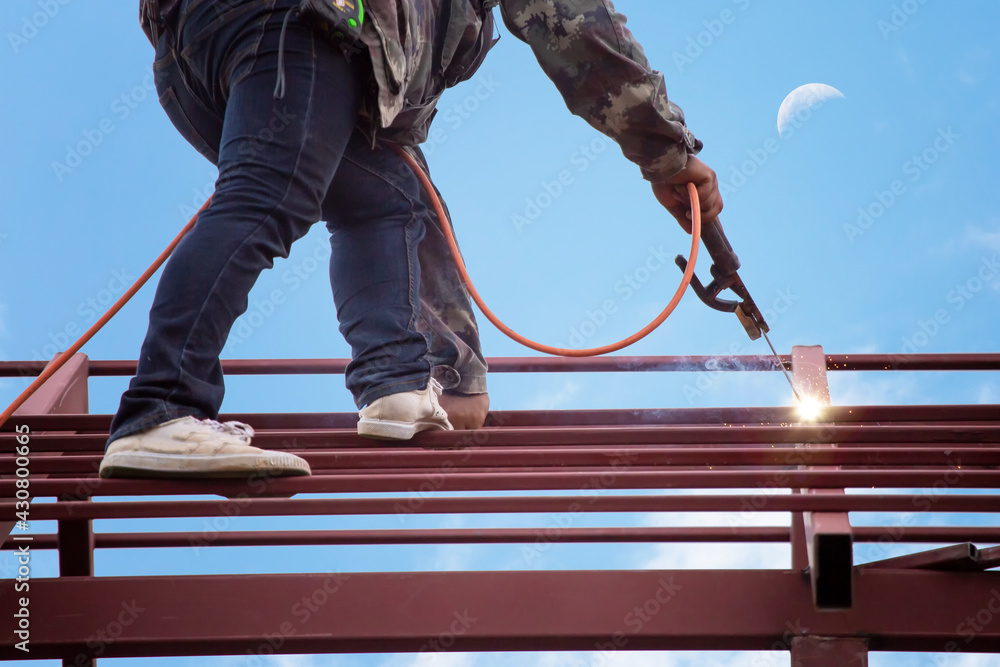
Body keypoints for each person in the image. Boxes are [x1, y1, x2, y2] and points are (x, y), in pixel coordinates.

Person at [99, 0, 722, 479]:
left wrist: (454, 374)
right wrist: (667, 153)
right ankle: (160, 410)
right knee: (268, 193)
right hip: (299, 24)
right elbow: (572, 21)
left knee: (387, 197)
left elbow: (412, 198)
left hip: (203, 52)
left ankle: (397, 387)